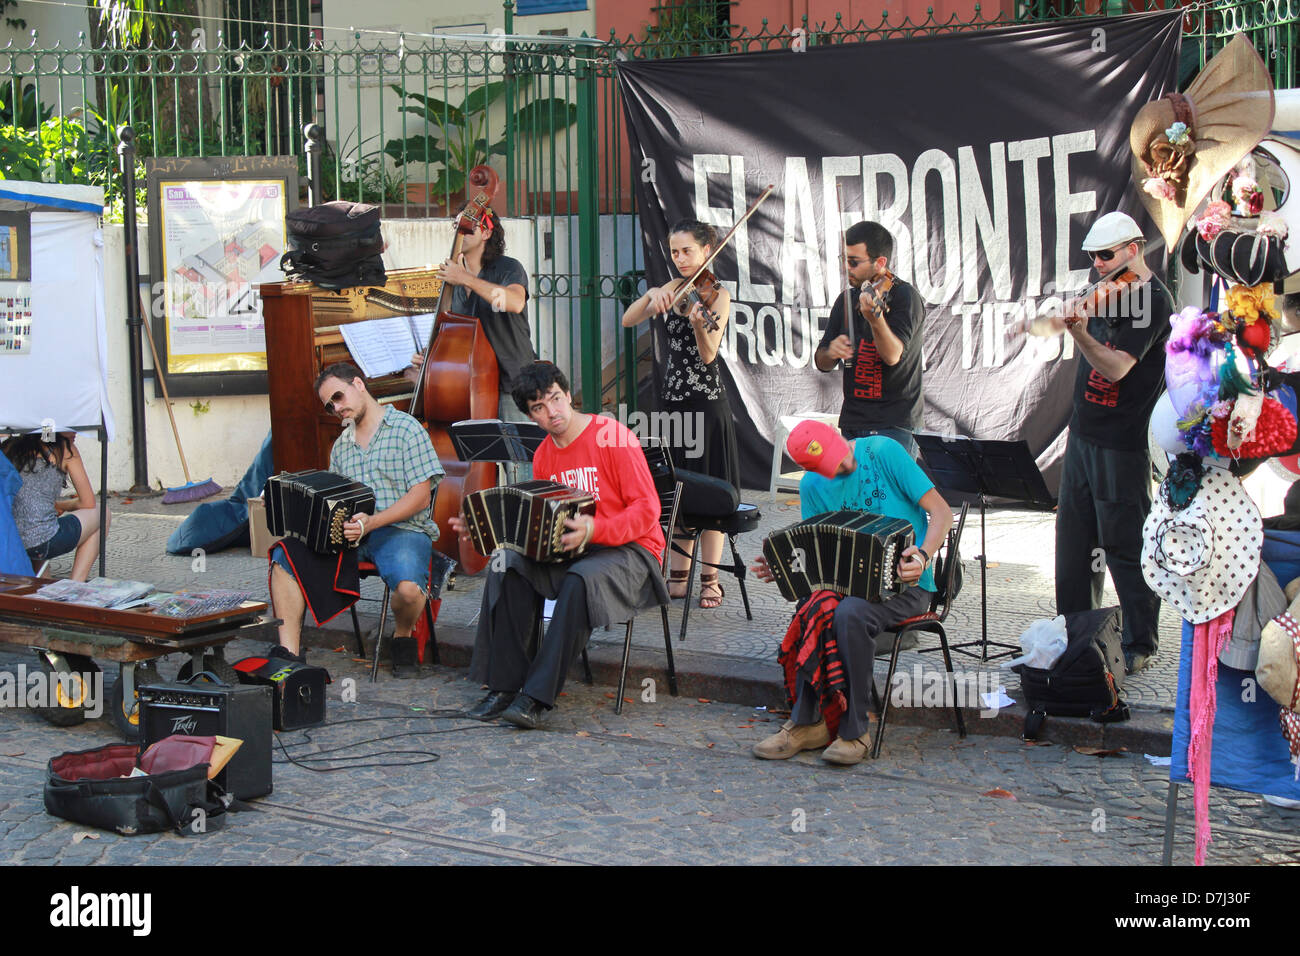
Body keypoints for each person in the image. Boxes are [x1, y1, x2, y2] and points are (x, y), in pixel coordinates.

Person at [455, 361, 667, 729]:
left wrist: (596, 529)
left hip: (634, 551)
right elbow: (539, 526)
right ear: (529, 415)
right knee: (507, 564)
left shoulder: (610, 436)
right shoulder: (544, 456)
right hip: (573, 549)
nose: (551, 412)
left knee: (579, 581)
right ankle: (504, 686)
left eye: (555, 398)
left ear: (568, 395)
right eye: (539, 407)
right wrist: (484, 528)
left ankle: (536, 697)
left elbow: (649, 511)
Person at [751, 422, 951, 766]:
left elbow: (942, 513)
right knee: (813, 606)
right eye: (832, 468)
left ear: (840, 437)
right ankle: (806, 722)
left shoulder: (884, 452)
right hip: (850, 589)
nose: (844, 468)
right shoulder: (813, 485)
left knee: (848, 614)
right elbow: (816, 555)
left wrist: (922, 555)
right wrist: (786, 567)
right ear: (810, 470)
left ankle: (855, 730)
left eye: (841, 458)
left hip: (910, 585)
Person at [1047, 211, 1173, 675]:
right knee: (1075, 542)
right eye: (1093, 257)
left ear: (1134, 250)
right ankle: (1075, 631)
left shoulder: (1155, 301)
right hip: (1083, 434)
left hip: (1122, 443)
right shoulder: (1103, 289)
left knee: (1125, 546)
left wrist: (1079, 333)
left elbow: (1117, 367)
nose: (1098, 265)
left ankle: (1141, 641)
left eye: (1106, 255)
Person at [268, 362, 448, 677]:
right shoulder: (340, 447)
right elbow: (337, 504)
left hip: (403, 531)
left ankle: (402, 639)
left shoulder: (407, 429)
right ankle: (289, 655)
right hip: (353, 535)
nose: (337, 408)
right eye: (330, 405)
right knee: (286, 554)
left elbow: (420, 497)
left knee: (407, 590)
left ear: (358, 384)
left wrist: (373, 523)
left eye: (339, 397)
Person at [622, 219, 740, 609]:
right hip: (671, 402)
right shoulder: (673, 288)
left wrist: (698, 321)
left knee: (710, 489)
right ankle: (677, 577)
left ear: (707, 250)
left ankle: (711, 580)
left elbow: (708, 354)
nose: (680, 258)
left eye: (687, 250)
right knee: (674, 489)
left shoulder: (716, 294)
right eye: (674, 251)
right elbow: (628, 319)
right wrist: (653, 294)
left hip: (705, 404)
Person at [408, 203, 537, 477]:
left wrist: (465, 278)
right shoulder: (451, 282)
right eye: (456, 226)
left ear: (487, 234)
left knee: (521, 472)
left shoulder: (508, 268)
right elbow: (454, 336)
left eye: (467, 227)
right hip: (472, 391)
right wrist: (430, 357)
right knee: (477, 468)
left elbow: (513, 302)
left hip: (513, 385)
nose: (459, 232)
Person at [814, 220, 926, 456]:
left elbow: (893, 355)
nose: (847, 268)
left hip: (895, 424)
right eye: (844, 259)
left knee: (889, 493)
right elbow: (821, 363)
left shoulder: (905, 297)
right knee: (855, 491)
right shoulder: (845, 299)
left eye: (854, 262)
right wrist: (831, 352)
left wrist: (876, 320)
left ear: (880, 262)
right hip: (854, 422)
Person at [2, 431, 107, 582]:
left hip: (12, 539)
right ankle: (75, 585)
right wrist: (62, 505)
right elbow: (88, 502)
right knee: (102, 513)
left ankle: (43, 586)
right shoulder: (65, 448)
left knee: (37, 527)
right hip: (44, 543)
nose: (75, 431)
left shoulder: (10, 446)